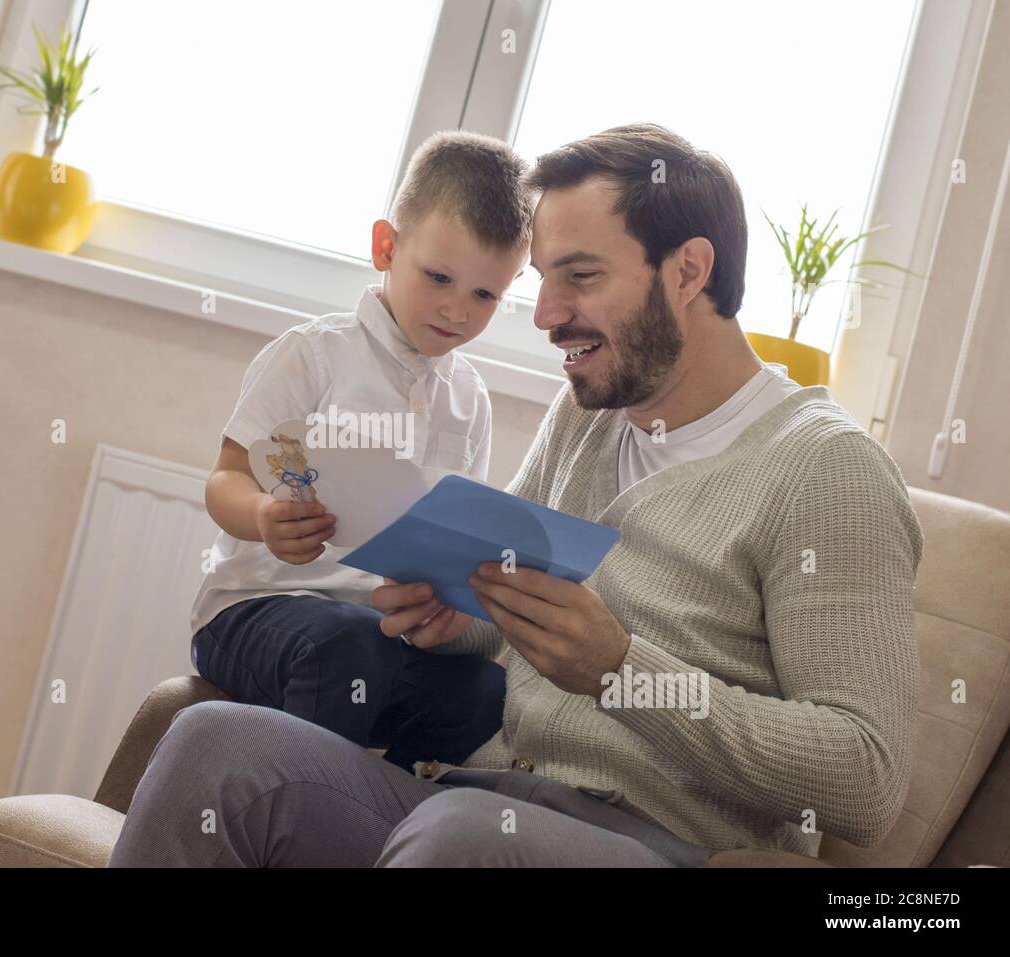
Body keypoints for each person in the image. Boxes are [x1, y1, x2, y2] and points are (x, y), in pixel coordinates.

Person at [110, 123, 922, 867]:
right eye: (541, 282)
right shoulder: (588, 416)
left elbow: (865, 778)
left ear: (689, 270)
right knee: (213, 746)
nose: (547, 318)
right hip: (474, 797)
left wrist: (623, 671)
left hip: (654, 841)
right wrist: (455, 616)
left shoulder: (826, 471)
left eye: (581, 278)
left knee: (456, 841)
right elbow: (500, 631)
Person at [188, 131, 534, 773]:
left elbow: (450, 542)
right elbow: (224, 480)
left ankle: (375, 822)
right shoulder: (314, 355)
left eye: (486, 295)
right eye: (439, 277)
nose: (458, 310)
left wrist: (449, 599)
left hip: (376, 636)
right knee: (345, 646)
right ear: (386, 247)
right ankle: (298, 821)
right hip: (256, 615)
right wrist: (264, 515)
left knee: (485, 695)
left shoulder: (469, 400)